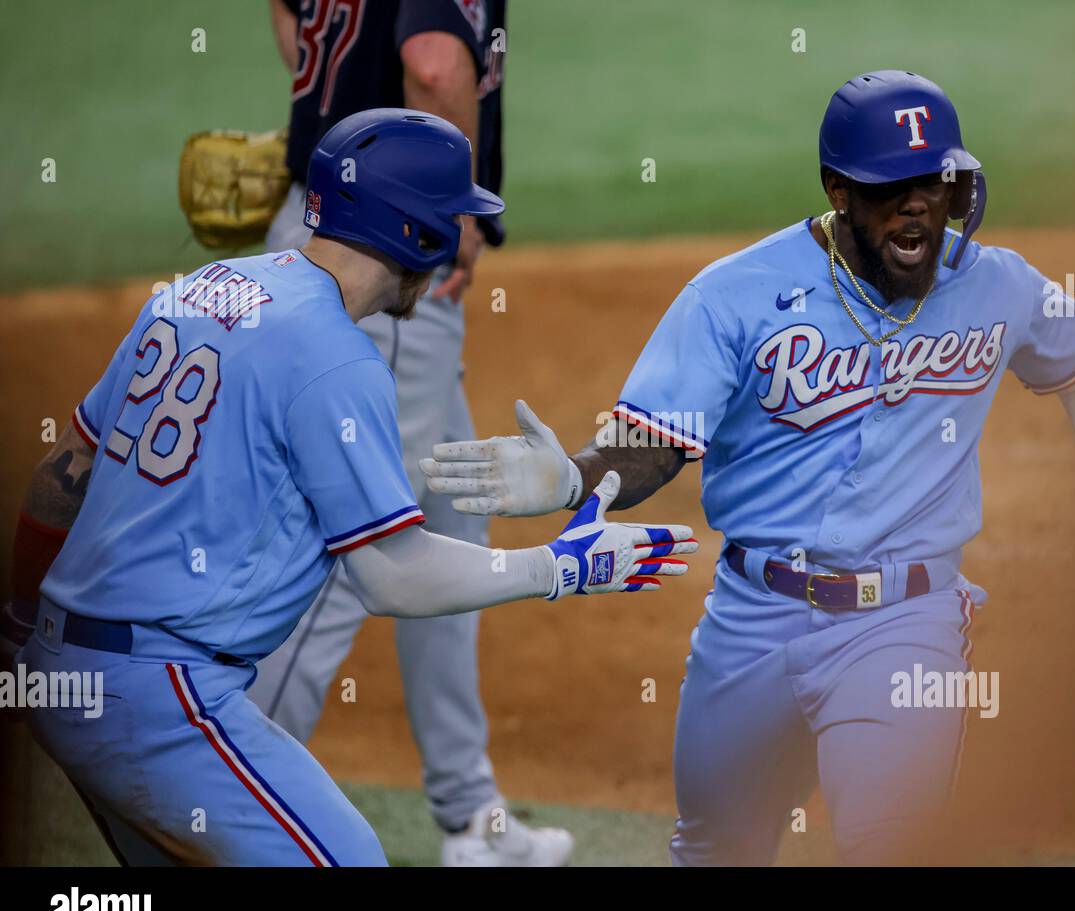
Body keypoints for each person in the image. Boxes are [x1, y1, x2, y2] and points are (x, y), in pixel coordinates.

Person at [421, 70, 1075, 865]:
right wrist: (573, 478)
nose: (918, 204)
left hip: (904, 623)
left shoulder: (996, 286)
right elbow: (659, 439)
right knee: (714, 848)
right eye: (891, 186)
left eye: (937, 181)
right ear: (838, 189)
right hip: (748, 622)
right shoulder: (734, 296)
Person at [7, 109, 695, 866]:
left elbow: (62, 475)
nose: (462, 237)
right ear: (418, 235)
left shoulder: (198, 288)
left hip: (57, 667)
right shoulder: (340, 358)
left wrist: (25, 629)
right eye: (455, 220)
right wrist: (563, 566)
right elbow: (390, 572)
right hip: (156, 700)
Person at [259, 1, 555, 866]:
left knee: (454, 509)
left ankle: (471, 815)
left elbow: (291, 14)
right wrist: (448, 216)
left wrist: (326, 127)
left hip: (335, 220)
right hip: (390, 257)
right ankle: (226, 785)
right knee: (358, 547)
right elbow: (434, 65)